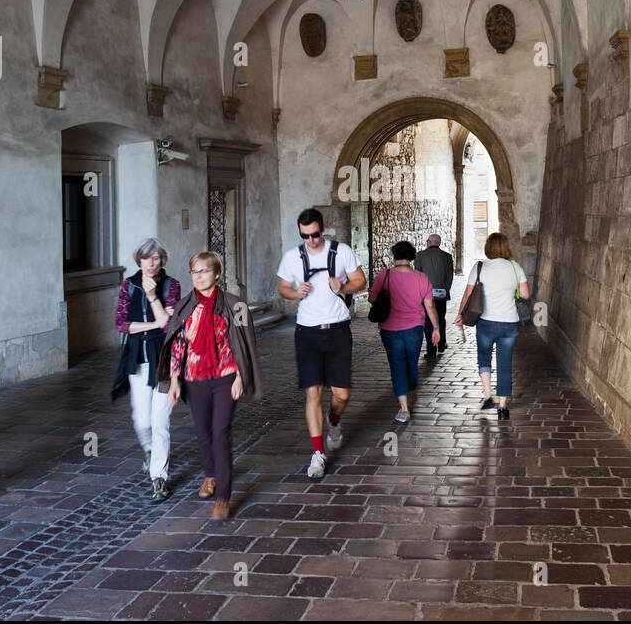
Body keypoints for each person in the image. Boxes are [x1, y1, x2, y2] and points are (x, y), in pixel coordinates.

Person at [156, 251, 264, 520]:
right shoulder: (185, 306)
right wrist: (174, 380)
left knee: (220, 432)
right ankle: (210, 475)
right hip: (194, 378)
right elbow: (177, 345)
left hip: (226, 376)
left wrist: (240, 376)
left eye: (204, 271)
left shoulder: (235, 305)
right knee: (203, 432)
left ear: (217, 274)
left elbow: (244, 344)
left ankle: (223, 498)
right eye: (194, 271)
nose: (198, 276)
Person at [276, 208, 366, 480]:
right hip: (307, 331)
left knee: (342, 395)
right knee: (312, 393)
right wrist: (295, 293)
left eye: (315, 234)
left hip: (337, 330)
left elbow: (361, 281)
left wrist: (343, 287)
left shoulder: (341, 251)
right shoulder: (292, 257)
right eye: (305, 236)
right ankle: (318, 453)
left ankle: (334, 420)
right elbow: (283, 286)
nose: (311, 240)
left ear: (322, 228)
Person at [110, 238, 180, 501]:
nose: (152, 263)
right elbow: (120, 323)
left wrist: (152, 298)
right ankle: (149, 450)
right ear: (139, 260)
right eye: (146, 258)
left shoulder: (171, 285)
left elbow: (170, 326)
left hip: (164, 358)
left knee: (160, 422)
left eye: (156, 257)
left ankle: (158, 477)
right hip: (137, 358)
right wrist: (155, 322)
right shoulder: (129, 285)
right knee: (142, 420)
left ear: (162, 260)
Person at [454, 232, 530, 420]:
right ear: (506, 247)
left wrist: (460, 314)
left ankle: (488, 395)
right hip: (509, 323)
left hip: (485, 322)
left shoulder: (479, 267)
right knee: (505, 363)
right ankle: (503, 407)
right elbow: (525, 294)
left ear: (488, 248)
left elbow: (467, 294)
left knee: (484, 357)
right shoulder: (515, 267)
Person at [370, 241, 439, 422]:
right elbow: (430, 305)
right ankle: (411, 391)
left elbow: (372, 298)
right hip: (414, 329)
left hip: (390, 328)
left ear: (394, 256)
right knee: (411, 363)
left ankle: (404, 409)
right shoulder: (421, 278)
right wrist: (436, 328)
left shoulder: (384, 275)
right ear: (412, 257)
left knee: (397, 366)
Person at [414, 233, 454, 359]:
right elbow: (449, 276)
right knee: (440, 318)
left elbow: (417, 276)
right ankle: (441, 344)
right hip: (441, 294)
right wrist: (445, 291)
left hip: (425, 294)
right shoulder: (447, 256)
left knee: (428, 321)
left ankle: (431, 350)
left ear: (429, 242)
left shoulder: (420, 255)